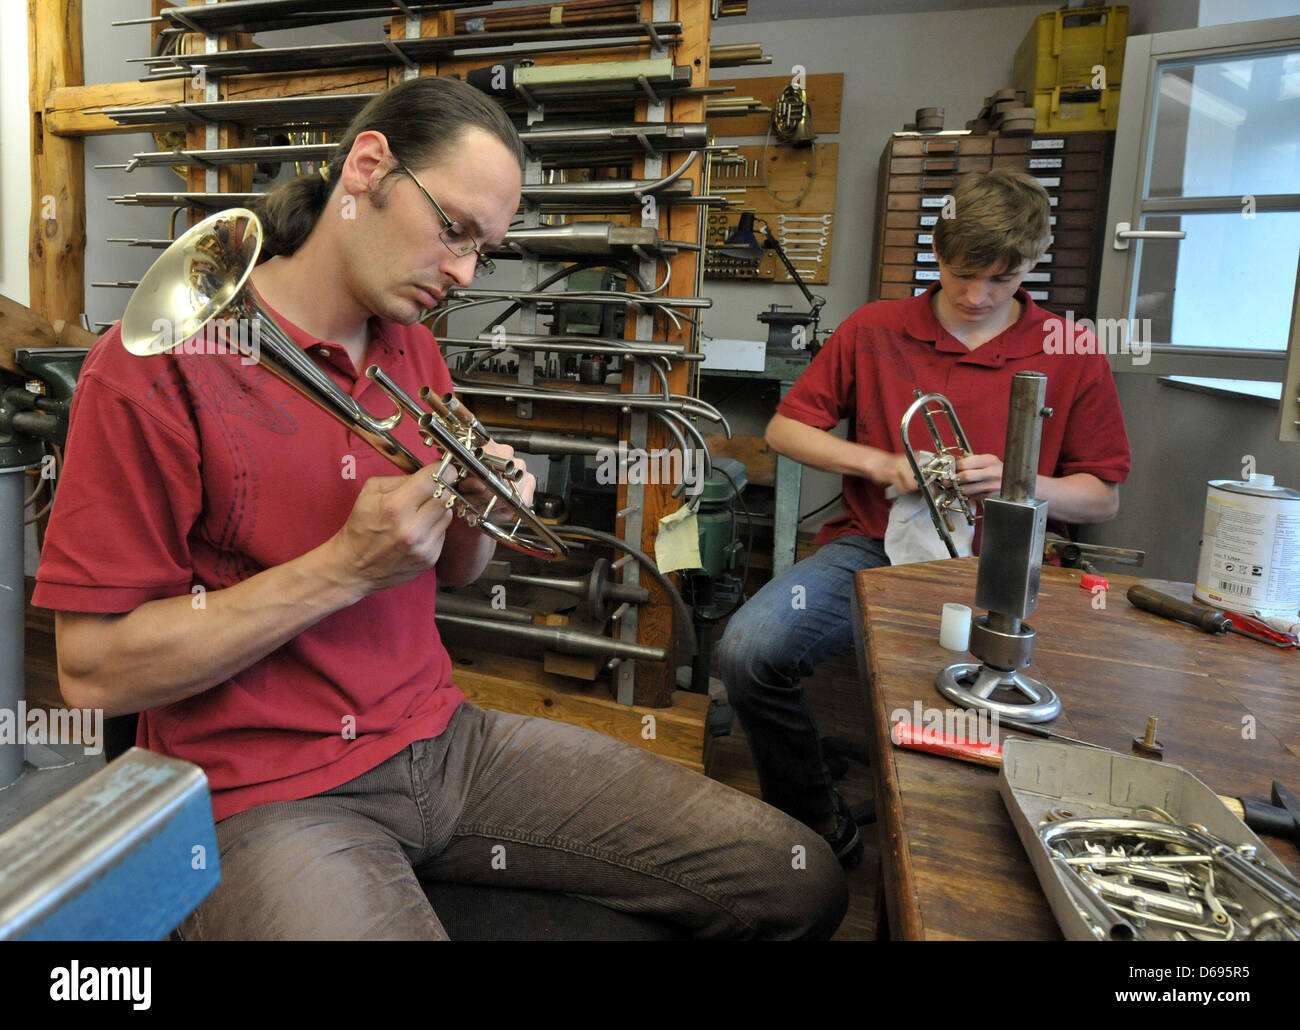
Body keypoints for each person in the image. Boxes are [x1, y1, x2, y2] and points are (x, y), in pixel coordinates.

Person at [33, 77, 847, 940]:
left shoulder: (410, 341)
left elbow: (460, 571)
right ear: (368, 166)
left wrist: (478, 506)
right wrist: (340, 570)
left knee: (796, 881)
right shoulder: (152, 370)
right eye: (454, 229)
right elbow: (92, 672)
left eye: (483, 251)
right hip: (261, 794)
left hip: (442, 742)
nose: (463, 274)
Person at [717, 169, 1131, 867]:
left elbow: (1103, 497)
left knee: (1057, 709)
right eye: (960, 272)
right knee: (747, 653)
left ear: (1033, 265)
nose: (976, 296)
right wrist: (882, 465)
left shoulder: (1071, 349)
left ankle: (983, 859)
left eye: (1002, 279)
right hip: (874, 550)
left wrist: (1021, 484)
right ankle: (819, 824)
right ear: (935, 251)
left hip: (1006, 569)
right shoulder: (874, 329)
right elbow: (787, 432)